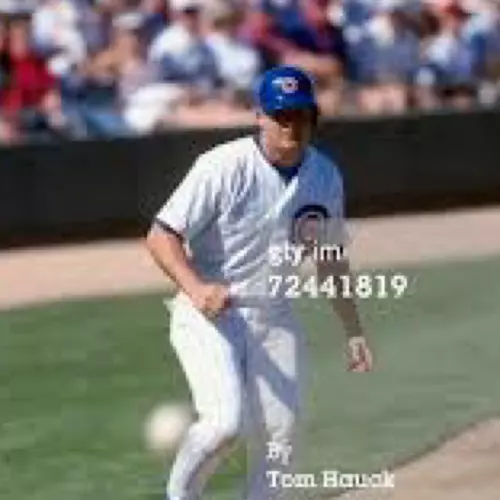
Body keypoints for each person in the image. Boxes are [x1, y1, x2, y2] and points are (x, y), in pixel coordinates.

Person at [145, 64, 374, 500]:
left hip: (275, 317)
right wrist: (196, 289)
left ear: (314, 119)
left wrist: (353, 331)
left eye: (300, 116)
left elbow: (329, 259)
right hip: (208, 315)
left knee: (282, 442)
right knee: (225, 424)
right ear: (260, 116)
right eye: (281, 115)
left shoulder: (325, 176)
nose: (291, 125)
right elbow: (161, 235)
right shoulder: (221, 166)